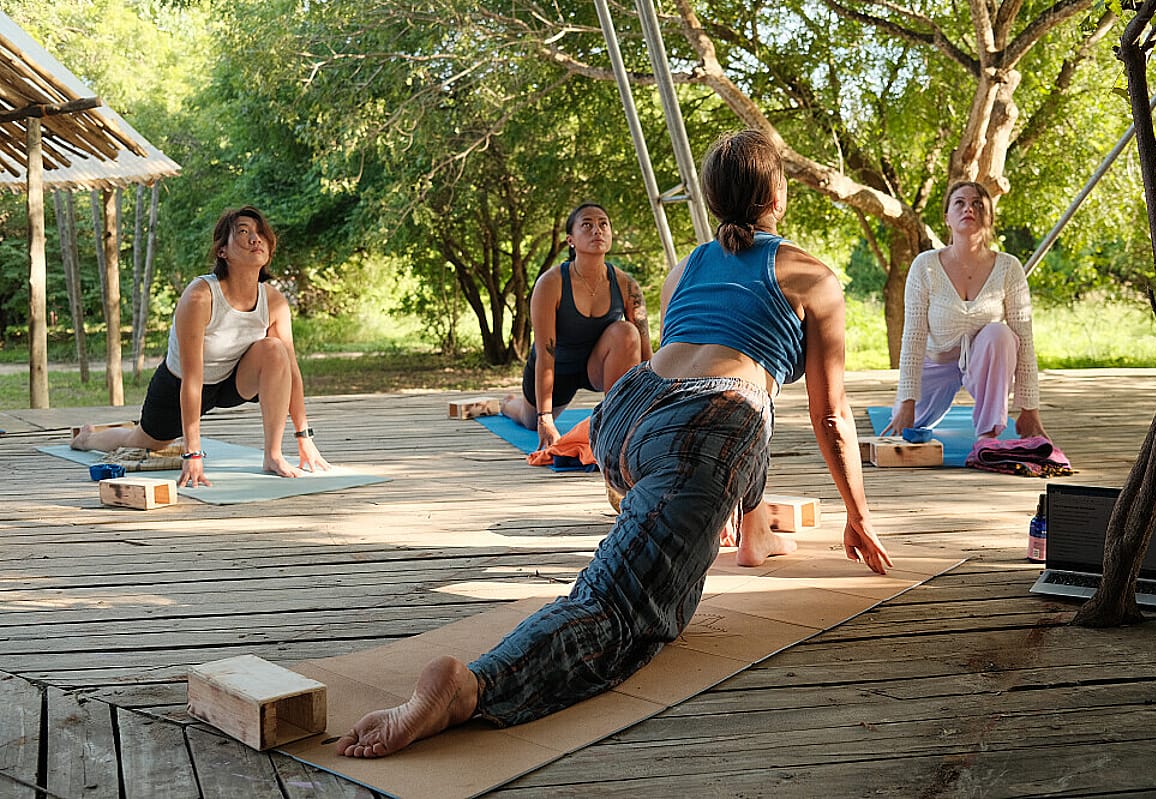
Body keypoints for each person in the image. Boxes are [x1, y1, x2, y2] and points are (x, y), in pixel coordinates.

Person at [335, 129, 891, 759]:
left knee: (746, 427)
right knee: (630, 610)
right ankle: (472, 687)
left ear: (712, 200)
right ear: (778, 197)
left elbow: (678, 377)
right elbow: (832, 414)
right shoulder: (812, 276)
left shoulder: (684, 269)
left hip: (627, 413)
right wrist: (860, 515)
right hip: (700, 432)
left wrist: (577, 436)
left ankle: (752, 533)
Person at [70, 206, 331, 487]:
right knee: (143, 441)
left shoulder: (274, 301)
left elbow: (291, 374)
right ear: (223, 251)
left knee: (275, 350)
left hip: (231, 381)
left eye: (260, 234)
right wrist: (192, 453)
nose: (255, 239)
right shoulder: (200, 296)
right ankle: (88, 438)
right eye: (243, 232)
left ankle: (273, 455)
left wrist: (304, 437)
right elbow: (193, 378)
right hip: (179, 385)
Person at [882, 181, 1049, 441]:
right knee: (906, 429)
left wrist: (1030, 410)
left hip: (983, 364)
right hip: (935, 362)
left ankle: (987, 435)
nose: (968, 208)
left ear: (990, 218)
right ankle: (914, 408)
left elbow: (1024, 342)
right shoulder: (925, 266)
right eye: (959, 202)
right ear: (947, 217)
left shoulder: (1008, 268)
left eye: (977, 204)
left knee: (1000, 335)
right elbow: (913, 338)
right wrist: (906, 401)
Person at [501, 203, 652, 450]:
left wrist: (654, 410)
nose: (597, 230)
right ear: (570, 240)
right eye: (587, 225)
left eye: (603, 224)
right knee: (529, 421)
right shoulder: (550, 283)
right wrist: (544, 418)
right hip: (557, 370)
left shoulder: (627, 285)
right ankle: (509, 404)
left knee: (627, 333)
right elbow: (545, 355)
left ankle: (615, 422)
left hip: (596, 367)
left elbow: (646, 356)